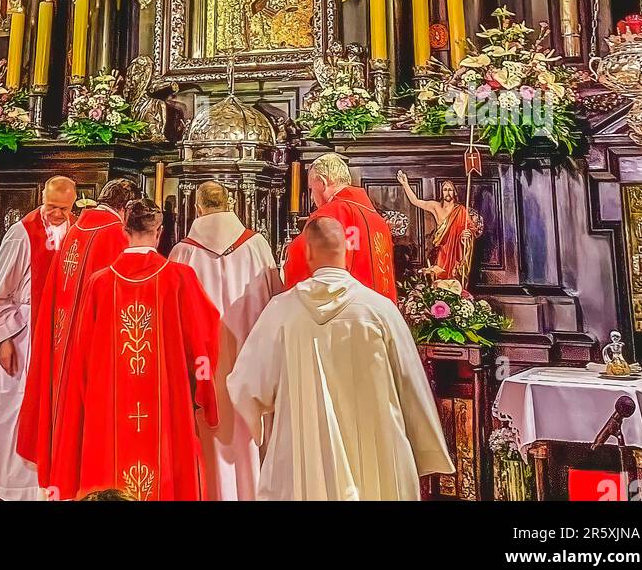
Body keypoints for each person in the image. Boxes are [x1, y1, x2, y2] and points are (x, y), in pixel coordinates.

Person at [228, 217, 453, 500]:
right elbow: (411, 385)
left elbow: (247, 385)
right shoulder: (379, 310)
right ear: (347, 250)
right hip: (376, 452)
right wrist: (424, 446)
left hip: (305, 454)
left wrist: (261, 422)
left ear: (308, 252)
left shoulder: (282, 310)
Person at [50, 198, 220, 502]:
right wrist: (204, 393)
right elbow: (203, 339)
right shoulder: (179, 277)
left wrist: (85, 402)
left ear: (124, 230)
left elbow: (81, 355)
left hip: (109, 404)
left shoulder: (99, 283)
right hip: (167, 400)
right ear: (159, 232)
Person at [17, 176, 141, 486]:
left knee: (65, 414)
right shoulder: (115, 234)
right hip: (93, 346)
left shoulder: (76, 229)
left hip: (62, 343)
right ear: (126, 208)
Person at [170, 182, 281, 500]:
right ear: (230, 204)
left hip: (203, 362)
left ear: (198, 207)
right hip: (250, 357)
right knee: (248, 429)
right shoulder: (257, 246)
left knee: (208, 425)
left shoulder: (183, 253)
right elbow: (277, 301)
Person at [0, 175, 77, 501]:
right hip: (21, 333)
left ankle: (41, 485)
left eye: (64, 209)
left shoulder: (75, 232)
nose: (56, 214)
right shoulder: (21, 234)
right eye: (51, 207)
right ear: (42, 198)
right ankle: (3, 484)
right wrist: (3, 340)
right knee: (11, 410)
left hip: (56, 333)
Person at [283, 152, 396, 299]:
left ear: (322, 182)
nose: (311, 197)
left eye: (311, 188)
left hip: (344, 309)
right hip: (376, 308)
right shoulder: (378, 221)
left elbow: (300, 258)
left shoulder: (327, 217)